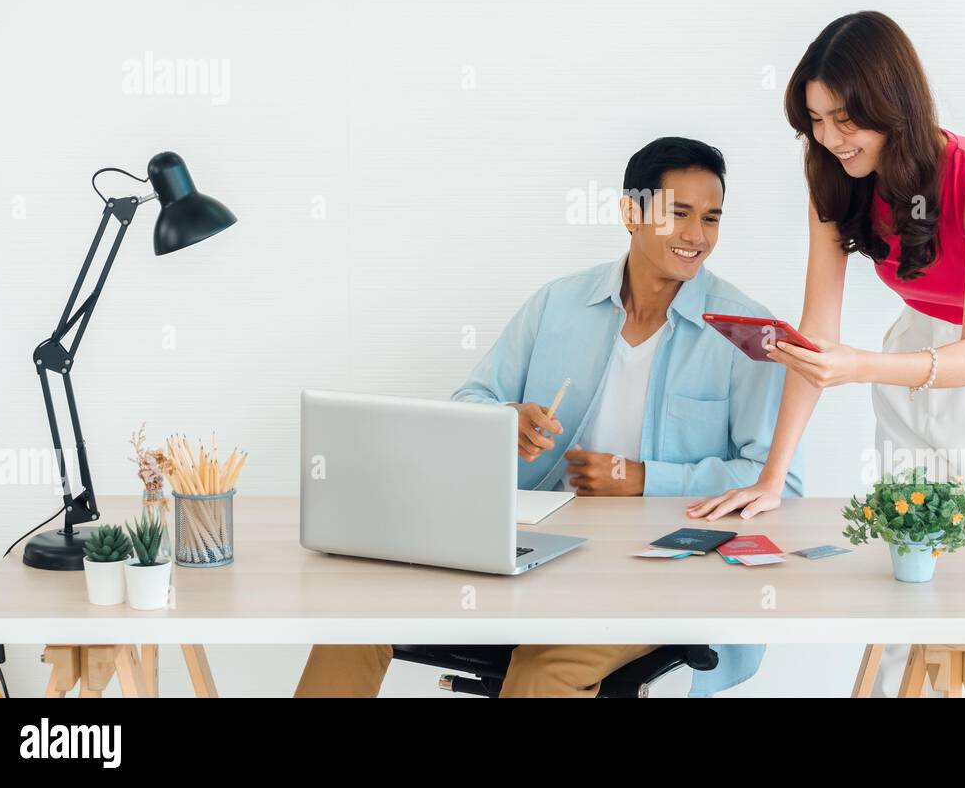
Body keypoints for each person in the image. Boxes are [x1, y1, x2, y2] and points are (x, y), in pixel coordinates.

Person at [296, 136, 802, 698]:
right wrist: (504, 421)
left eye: (711, 218)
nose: (696, 236)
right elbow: (469, 404)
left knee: (545, 669)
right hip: (536, 548)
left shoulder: (747, 332)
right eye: (678, 214)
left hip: (662, 570)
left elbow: (780, 484)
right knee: (357, 620)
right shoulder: (558, 304)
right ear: (630, 213)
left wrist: (642, 478)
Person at [688, 12, 965, 697]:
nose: (832, 139)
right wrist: (772, 477)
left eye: (846, 119)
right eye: (816, 120)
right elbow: (817, 335)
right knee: (906, 570)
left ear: (893, 105)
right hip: (911, 353)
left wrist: (856, 365)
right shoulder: (832, 177)